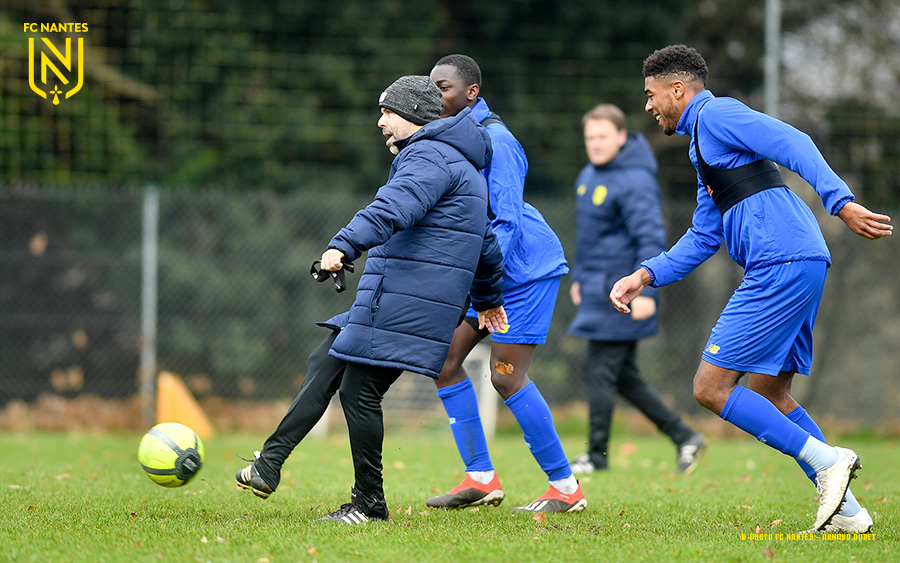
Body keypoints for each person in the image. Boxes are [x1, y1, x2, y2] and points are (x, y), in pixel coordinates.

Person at [610, 44, 892, 533]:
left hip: (780, 261)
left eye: (652, 95)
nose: (649, 106)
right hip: (800, 260)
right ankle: (849, 515)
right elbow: (703, 235)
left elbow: (794, 140)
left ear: (678, 90)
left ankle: (827, 462)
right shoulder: (704, 146)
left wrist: (839, 201)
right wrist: (645, 274)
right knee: (771, 391)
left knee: (710, 387)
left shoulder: (717, 114)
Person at [235, 75, 509, 524]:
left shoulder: (429, 157)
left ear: (414, 116)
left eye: (387, 112)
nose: (380, 121)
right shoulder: (457, 163)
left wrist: (343, 245)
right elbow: (485, 246)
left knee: (359, 391)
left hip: (406, 301)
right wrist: (487, 298)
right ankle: (270, 464)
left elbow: (392, 208)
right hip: (396, 296)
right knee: (326, 360)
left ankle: (368, 503)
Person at [425, 54, 585, 513]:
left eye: (444, 88)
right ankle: (480, 478)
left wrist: (485, 292)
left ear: (471, 92)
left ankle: (567, 489)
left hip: (524, 273)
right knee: (444, 360)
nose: (436, 97)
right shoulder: (457, 136)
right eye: (432, 88)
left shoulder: (499, 140)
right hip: (489, 276)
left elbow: (507, 224)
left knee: (505, 377)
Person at [567, 103, 704, 475]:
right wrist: (579, 277)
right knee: (622, 377)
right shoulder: (588, 176)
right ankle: (684, 436)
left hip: (624, 294)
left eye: (602, 137)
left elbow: (651, 238)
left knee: (599, 371)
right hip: (596, 290)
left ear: (622, 137)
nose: (595, 144)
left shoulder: (635, 179)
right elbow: (589, 238)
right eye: (590, 137)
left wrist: (646, 293)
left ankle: (596, 456)